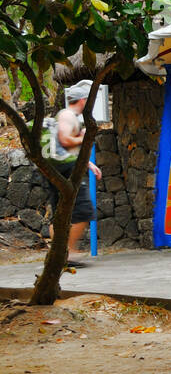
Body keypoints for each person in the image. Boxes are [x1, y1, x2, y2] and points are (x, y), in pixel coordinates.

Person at [51, 80, 102, 263]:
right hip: (66, 172)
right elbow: (65, 140)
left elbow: (65, 148)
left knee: (60, 212)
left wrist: (88, 163)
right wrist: (85, 137)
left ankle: (61, 252)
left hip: (57, 169)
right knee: (84, 210)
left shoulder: (65, 115)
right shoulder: (68, 115)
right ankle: (67, 252)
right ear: (82, 100)